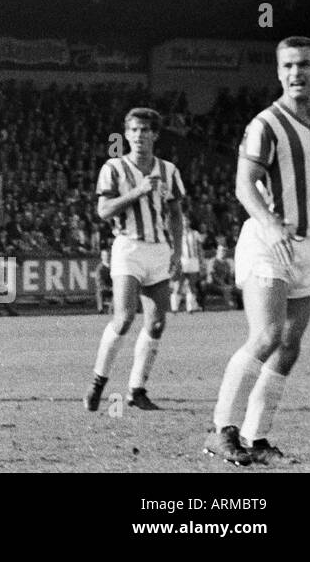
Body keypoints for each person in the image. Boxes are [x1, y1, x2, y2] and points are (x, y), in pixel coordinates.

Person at [205, 37, 310, 467]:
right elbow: (243, 182)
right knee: (267, 335)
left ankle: (256, 437)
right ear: (277, 72)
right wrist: (270, 225)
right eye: (287, 65)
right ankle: (221, 430)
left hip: (308, 247)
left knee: (290, 345)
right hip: (268, 244)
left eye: (304, 64)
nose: (296, 73)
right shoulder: (266, 123)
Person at [84, 108, 185, 413]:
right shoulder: (113, 168)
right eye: (134, 130)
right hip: (128, 246)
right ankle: (97, 383)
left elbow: (176, 214)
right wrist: (138, 192)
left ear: (155, 134)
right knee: (124, 317)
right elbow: (103, 211)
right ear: (126, 134)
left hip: (158, 250)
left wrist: (178, 251)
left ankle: (136, 390)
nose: (140, 135)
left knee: (156, 322)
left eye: (145, 130)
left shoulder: (168, 170)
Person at [171, 224, 205, 313]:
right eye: (183, 220)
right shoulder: (177, 233)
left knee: (191, 285)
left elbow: (200, 248)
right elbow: (173, 248)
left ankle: (190, 307)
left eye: (186, 220)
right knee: (179, 284)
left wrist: (201, 261)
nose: (185, 222)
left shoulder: (195, 233)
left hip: (193, 261)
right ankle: (174, 308)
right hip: (182, 261)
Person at [203, 243, 242, 310]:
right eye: (222, 250)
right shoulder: (213, 261)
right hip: (212, 285)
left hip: (223, 285)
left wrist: (231, 284)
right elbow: (213, 276)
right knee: (226, 289)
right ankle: (230, 306)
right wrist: (223, 284)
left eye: (225, 250)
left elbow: (229, 277)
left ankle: (241, 307)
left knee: (238, 289)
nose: (224, 252)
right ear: (217, 251)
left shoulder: (226, 264)